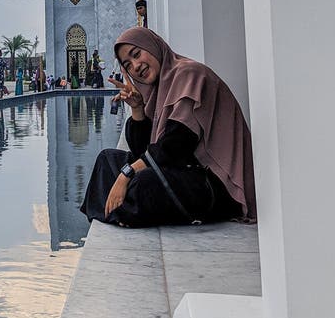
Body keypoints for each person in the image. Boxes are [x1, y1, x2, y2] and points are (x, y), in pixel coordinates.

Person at [80, 27, 257, 227]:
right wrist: (138, 109)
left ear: (152, 46)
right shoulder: (158, 90)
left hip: (215, 185)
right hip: (183, 171)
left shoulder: (190, 75)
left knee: (144, 183)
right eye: (128, 65)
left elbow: (175, 146)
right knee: (106, 160)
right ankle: (120, 211)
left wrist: (126, 174)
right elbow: (143, 152)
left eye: (137, 54)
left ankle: (117, 209)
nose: (136, 66)